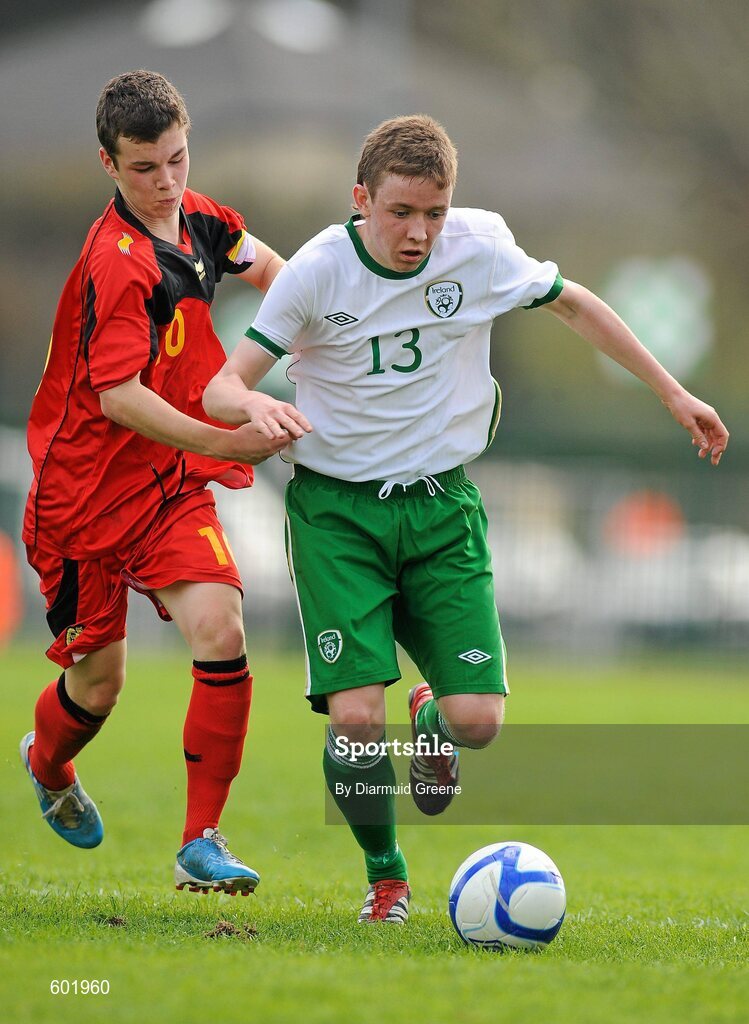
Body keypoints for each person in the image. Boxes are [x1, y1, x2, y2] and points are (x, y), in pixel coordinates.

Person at [202, 114, 729, 921]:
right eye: (401, 212)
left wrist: (673, 392)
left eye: (434, 213)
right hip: (337, 516)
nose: (419, 233)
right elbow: (222, 385)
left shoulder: (478, 249)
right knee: (352, 717)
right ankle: (386, 875)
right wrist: (256, 408)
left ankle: (432, 717)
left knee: (477, 724)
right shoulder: (315, 271)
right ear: (361, 199)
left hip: (442, 507)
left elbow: (575, 304)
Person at [20, 70, 310, 895]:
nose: (166, 182)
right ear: (109, 164)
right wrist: (229, 433)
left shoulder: (203, 219)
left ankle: (200, 842)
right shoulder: (118, 265)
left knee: (221, 628)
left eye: (177, 160)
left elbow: (275, 275)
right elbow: (119, 399)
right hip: (80, 502)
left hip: (166, 484)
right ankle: (47, 766)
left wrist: (325, 334)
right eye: (145, 168)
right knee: (98, 684)